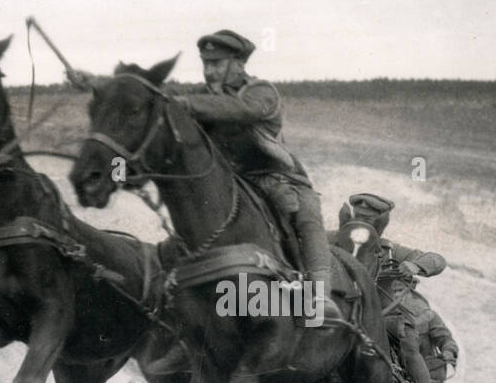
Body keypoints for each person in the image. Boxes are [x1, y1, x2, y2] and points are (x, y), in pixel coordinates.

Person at [69, 29, 341, 322]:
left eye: (217, 63)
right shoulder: (202, 94)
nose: (209, 71)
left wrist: (182, 104)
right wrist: (92, 82)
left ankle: (318, 297)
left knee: (307, 218)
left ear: (238, 63)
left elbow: (239, 109)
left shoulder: (262, 93)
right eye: (206, 63)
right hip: (227, 182)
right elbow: (151, 94)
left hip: (275, 179)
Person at [334, 193, 448, 383]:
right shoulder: (331, 240)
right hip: (338, 312)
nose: (363, 224)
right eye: (359, 217)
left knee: (407, 339)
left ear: (379, 224)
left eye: (369, 220)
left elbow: (437, 259)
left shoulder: (391, 251)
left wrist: (416, 265)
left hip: (379, 317)